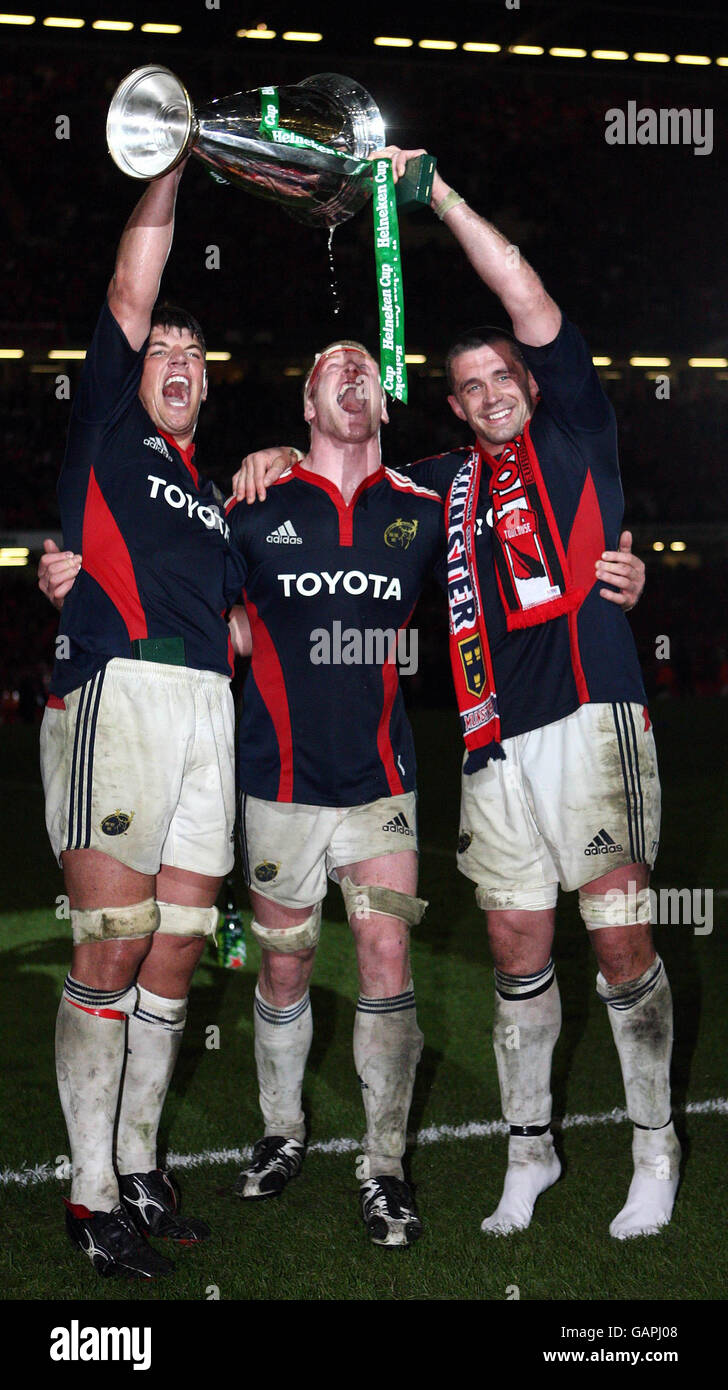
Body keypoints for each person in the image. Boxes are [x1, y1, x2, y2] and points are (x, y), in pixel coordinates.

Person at [234, 147, 672, 1242]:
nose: (486, 398)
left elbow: (522, 288)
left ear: (531, 381)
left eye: (500, 380)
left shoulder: (576, 429)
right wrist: (279, 447)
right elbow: (349, 459)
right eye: (467, 389)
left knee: (617, 938)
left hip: (588, 716)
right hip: (490, 747)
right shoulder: (438, 484)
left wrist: (434, 196)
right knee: (515, 952)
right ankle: (530, 1152)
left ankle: (653, 1146)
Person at [42, 339, 447, 1248]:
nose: (353, 376)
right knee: (282, 964)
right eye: (331, 368)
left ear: (385, 400)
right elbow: (196, 599)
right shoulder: (252, 506)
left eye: (366, 370)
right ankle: (280, 1132)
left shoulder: (426, 507)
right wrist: (76, 576)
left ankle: (385, 1170)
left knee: (387, 956)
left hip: (383, 780)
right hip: (274, 780)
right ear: (303, 403)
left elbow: (517, 476)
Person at [38, 163, 249, 1279]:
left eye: (193, 358)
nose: (176, 364)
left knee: (174, 950)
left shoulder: (208, 498)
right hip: (117, 695)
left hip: (207, 713)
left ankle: (137, 1161)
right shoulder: (107, 426)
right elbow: (133, 281)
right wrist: (167, 153)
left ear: (208, 390)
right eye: (161, 351)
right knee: (112, 948)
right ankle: (86, 1195)